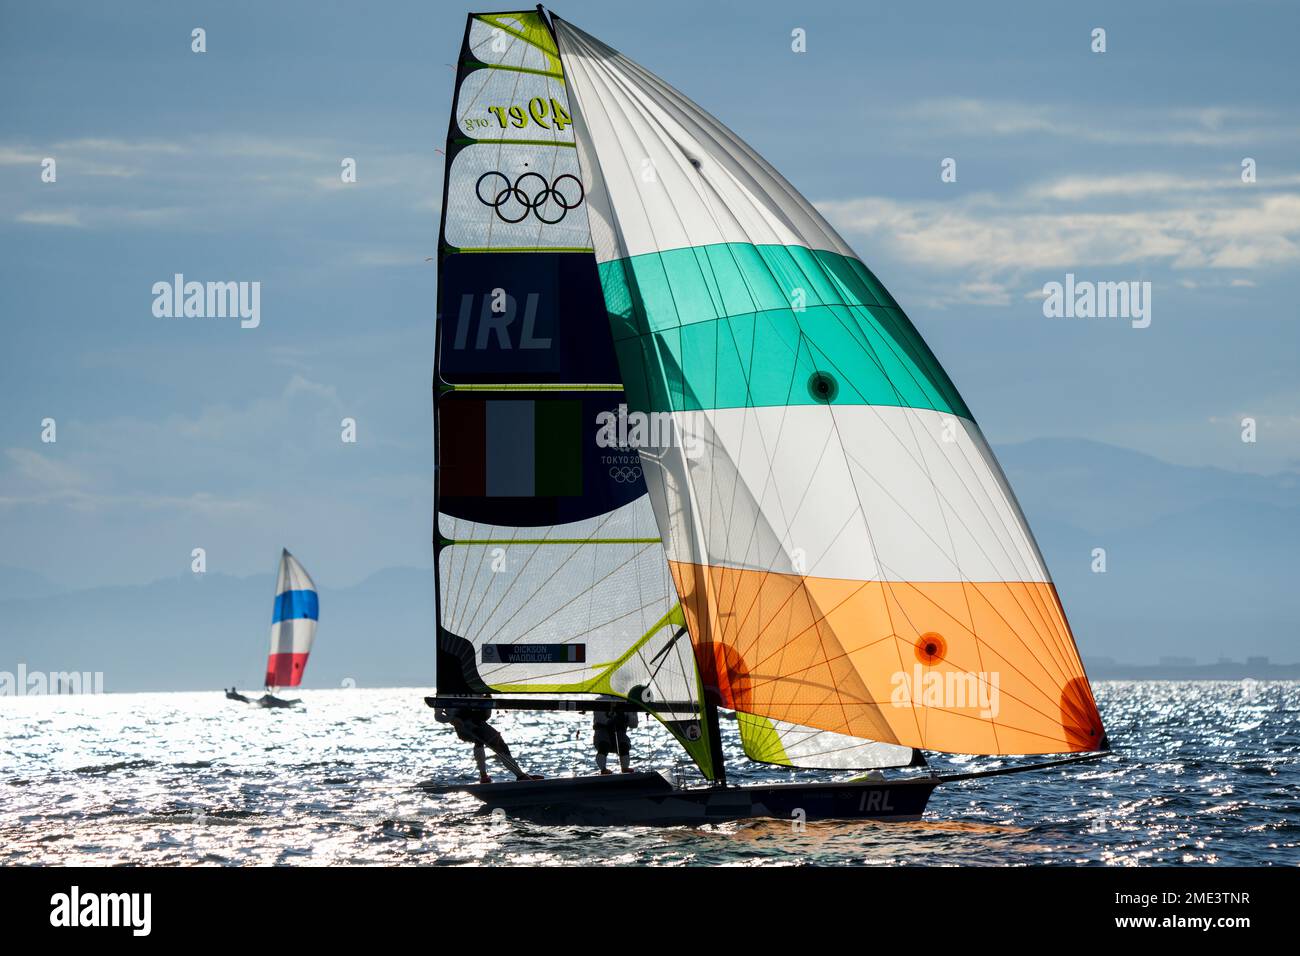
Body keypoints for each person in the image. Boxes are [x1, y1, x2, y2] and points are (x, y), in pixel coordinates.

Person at [435, 701, 539, 784]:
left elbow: (486, 714)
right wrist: (452, 719)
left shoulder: (476, 689)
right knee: (486, 740)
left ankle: (516, 775)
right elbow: (438, 716)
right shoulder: (446, 692)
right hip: (463, 726)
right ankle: (487, 776)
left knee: (494, 742)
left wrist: (487, 705)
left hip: (478, 723)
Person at [593, 697, 637, 774]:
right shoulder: (600, 701)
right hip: (603, 731)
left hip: (619, 732)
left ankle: (625, 768)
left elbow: (633, 724)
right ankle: (603, 769)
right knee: (604, 745)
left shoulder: (628, 702)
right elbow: (601, 720)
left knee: (624, 745)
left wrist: (631, 713)